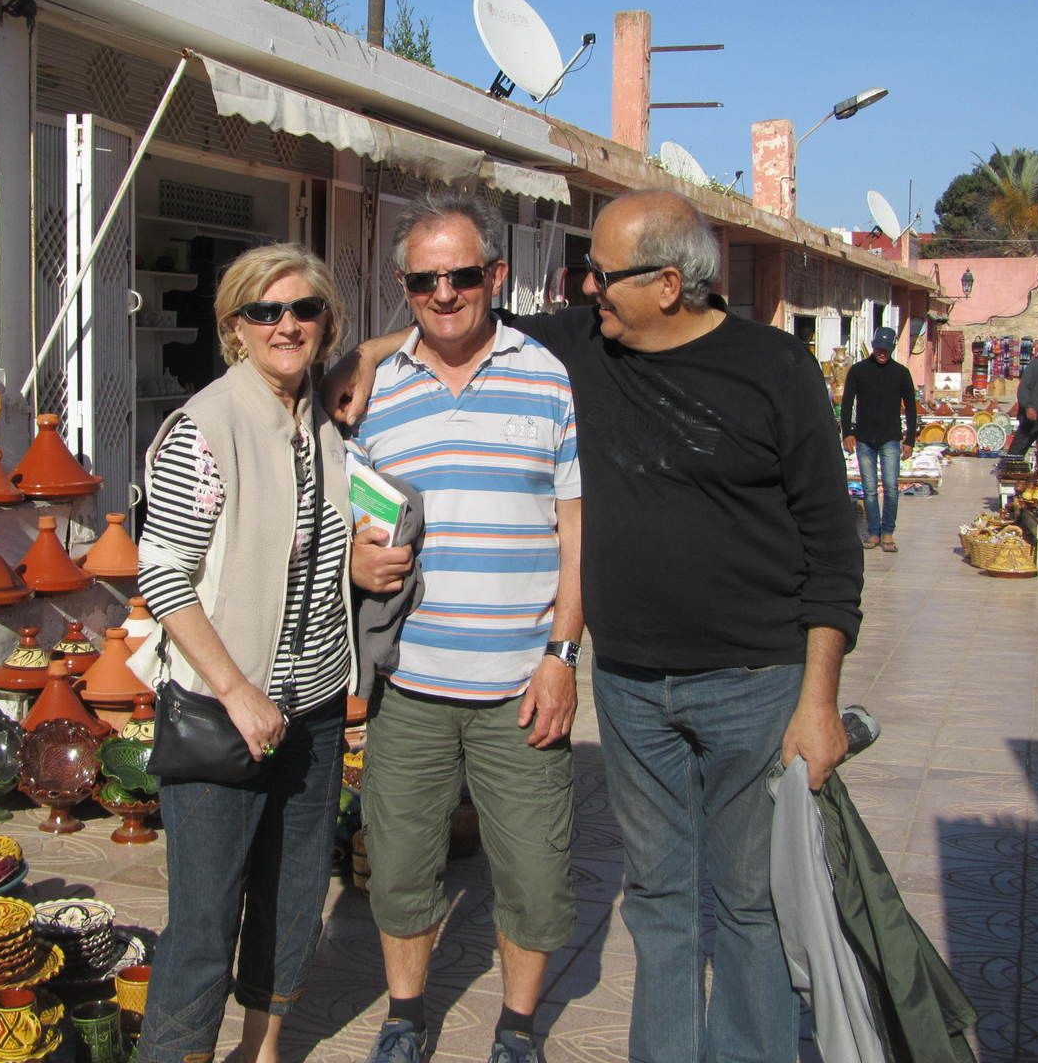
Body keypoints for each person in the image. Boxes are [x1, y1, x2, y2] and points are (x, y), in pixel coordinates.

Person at [330, 189, 862, 1063]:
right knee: (659, 900)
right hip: (635, 687)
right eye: (585, 278)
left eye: (600, 276)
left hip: (755, 684)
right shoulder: (589, 341)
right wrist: (364, 348)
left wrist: (820, 699)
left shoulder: (774, 370)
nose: (585, 289)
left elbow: (834, 551)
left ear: (666, 283)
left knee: (748, 898)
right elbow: (454, 326)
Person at [352, 193, 582, 1063]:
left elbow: (575, 531)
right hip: (408, 684)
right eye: (423, 279)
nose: (443, 294)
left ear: (494, 275)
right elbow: (348, 519)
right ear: (404, 286)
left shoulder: (545, 373)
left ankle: (517, 1029)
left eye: (460, 275)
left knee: (533, 870)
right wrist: (354, 564)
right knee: (403, 866)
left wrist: (562, 655)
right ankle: (406, 1016)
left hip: (522, 684)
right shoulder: (372, 391)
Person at [135, 244, 358, 1063]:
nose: (286, 325)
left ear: (326, 323)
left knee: (292, 899)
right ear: (234, 327)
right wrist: (236, 689)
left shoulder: (326, 423)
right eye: (265, 312)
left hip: (317, 706)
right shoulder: (209, 426)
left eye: (303, 310)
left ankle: (263, 1051)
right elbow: (163, 576)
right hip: (224, 712)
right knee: (204, 918)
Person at [840, 325, 918, 553]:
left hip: (890, 439)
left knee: (892, 488)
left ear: (892, 348)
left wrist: (910, 440)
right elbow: (847, 404)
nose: (881, 352)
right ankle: (874, 532)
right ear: (873, 347)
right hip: (864, 439)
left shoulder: (901, 373)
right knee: (870, 489)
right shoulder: (858, 371)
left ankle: (888, 532)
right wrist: (848, 432)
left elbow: (911, 409)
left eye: (886, 349)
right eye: (878, 348)